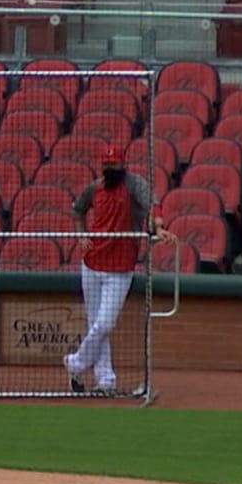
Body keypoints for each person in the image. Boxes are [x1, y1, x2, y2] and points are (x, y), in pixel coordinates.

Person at [65, 144, 176, 395]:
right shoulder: (94, 187)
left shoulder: (134, 185)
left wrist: (158, 227)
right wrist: (81, 234)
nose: (109, 168)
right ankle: (105, 380)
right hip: (92, 262)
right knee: (94, 323)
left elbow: (153, 204)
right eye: (105, 164)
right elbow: (77, 210)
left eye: (113, 164)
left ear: (122, 165)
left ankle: (75, 363)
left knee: (104, 323)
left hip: (120, 266)